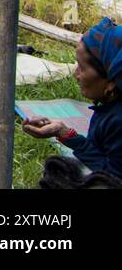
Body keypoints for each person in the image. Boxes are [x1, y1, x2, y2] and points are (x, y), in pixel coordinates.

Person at [23, 17, 122, 178]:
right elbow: (101, 153)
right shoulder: (109, 105)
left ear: (110, 82)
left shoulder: (118, 121)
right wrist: (64, 132)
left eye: (82, 68)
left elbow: (113, 178)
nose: (76, 74)